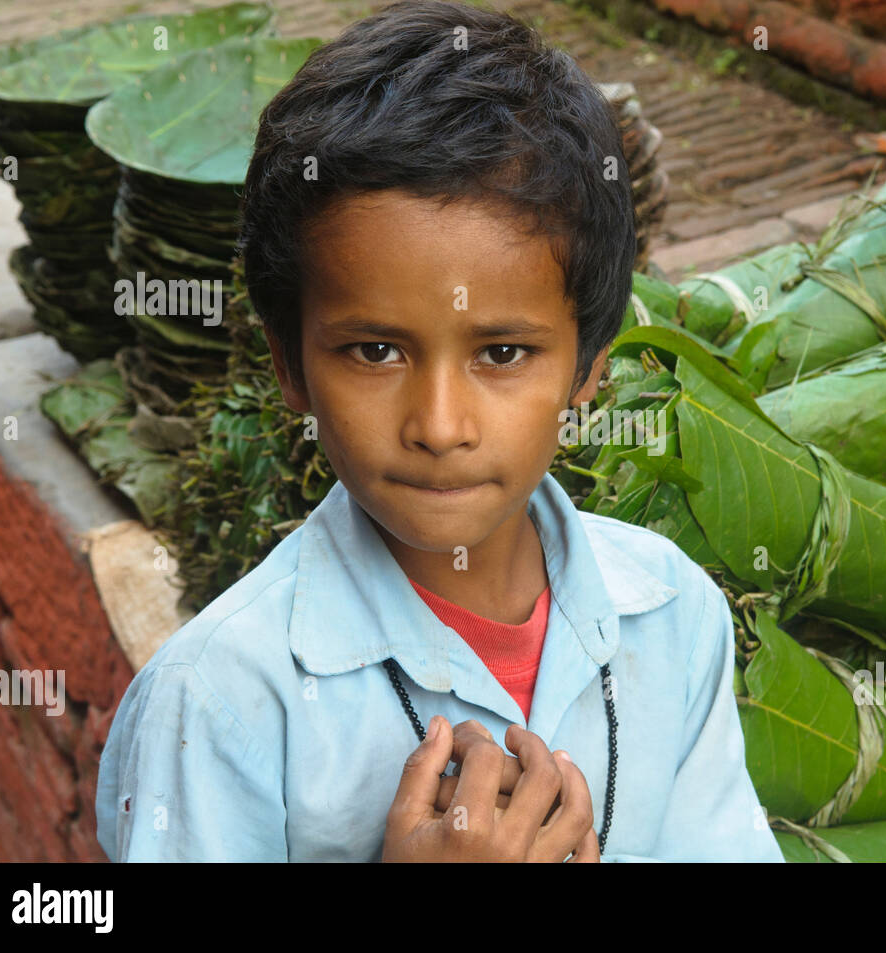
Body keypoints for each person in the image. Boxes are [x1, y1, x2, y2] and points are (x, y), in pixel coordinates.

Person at [95, 0, 783, 863]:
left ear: (588, 366)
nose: (439, 425)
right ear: (291, 364)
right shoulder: (224, 701)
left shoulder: (674, 617)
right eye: (374, 349)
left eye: (502, 351)